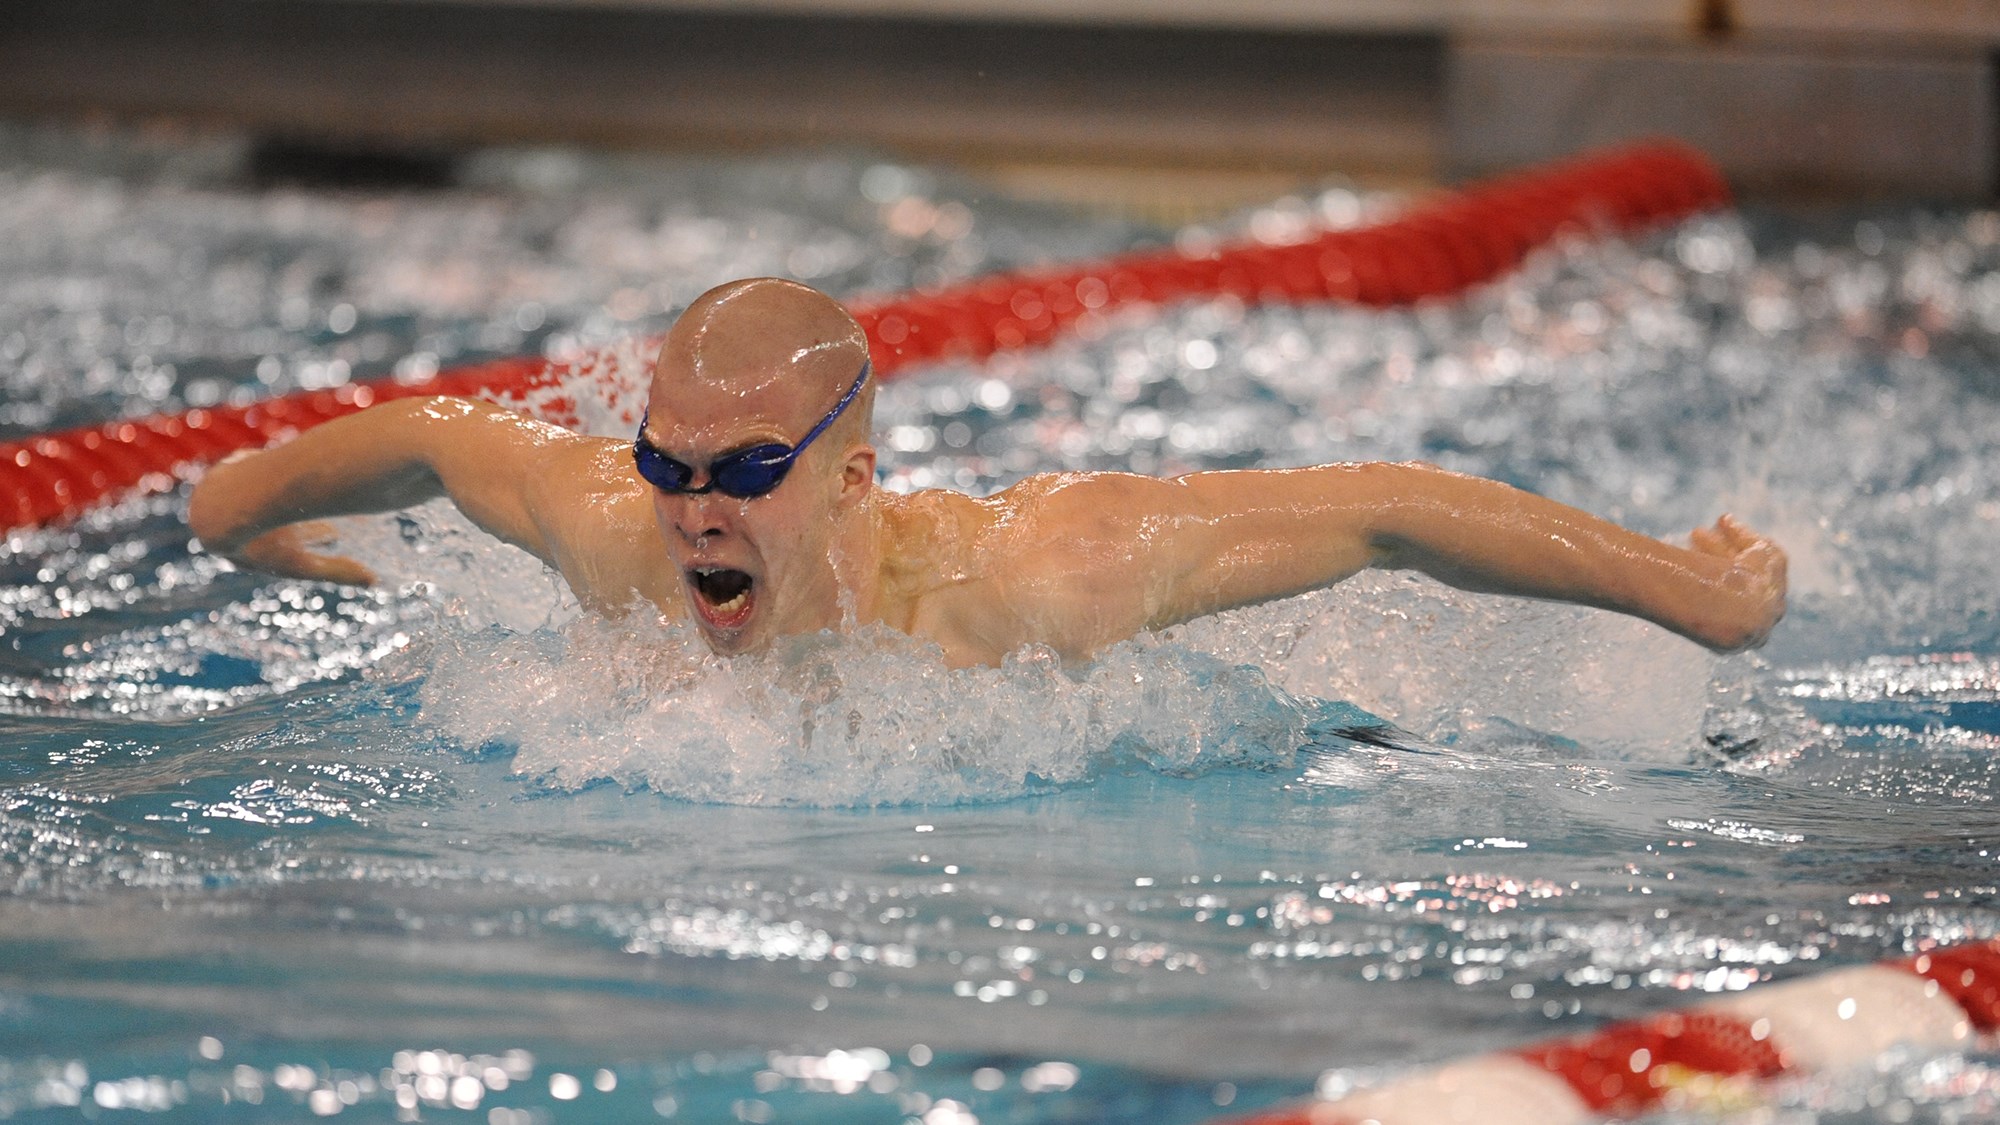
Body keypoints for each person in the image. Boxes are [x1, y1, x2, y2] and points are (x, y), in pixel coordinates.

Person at [189, 277, 1787, 669]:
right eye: (666, 459)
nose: (694, 505)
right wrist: (234, 513)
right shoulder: (624, 540)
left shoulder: (1026, 580)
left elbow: (1385, 509)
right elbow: (430, 437)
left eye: (746, 466)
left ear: (853, 476)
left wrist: (1690, 591)